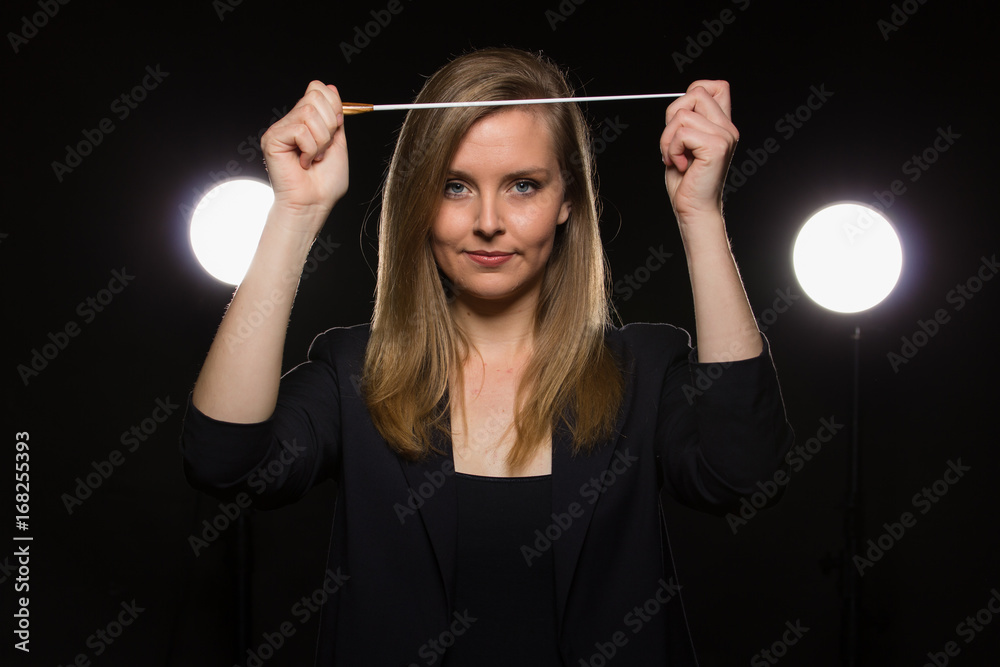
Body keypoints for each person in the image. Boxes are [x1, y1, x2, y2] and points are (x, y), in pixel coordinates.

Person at [180, 47, 794, 665]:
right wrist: (296, 212)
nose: (489, 222)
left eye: (523, 185)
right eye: (455, 187)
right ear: (421, 201)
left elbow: (744, 476)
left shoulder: (644, 368)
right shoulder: (355, 373)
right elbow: (224, 462)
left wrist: (701, 213)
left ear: (568, 201)